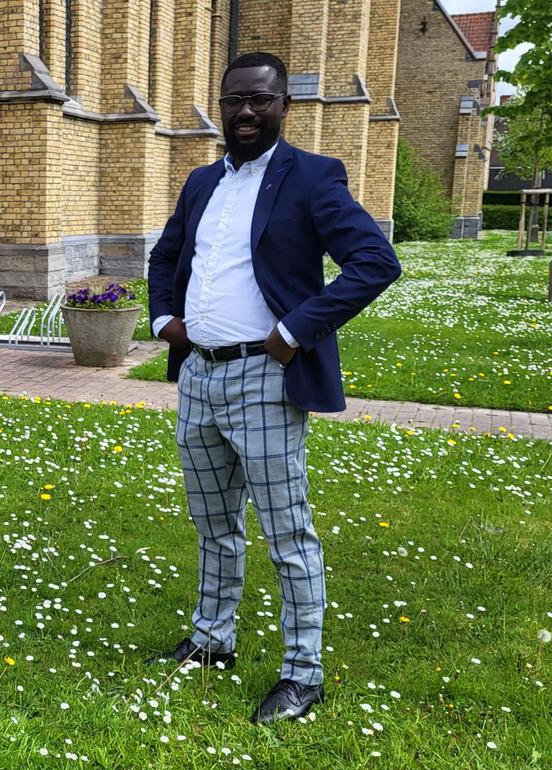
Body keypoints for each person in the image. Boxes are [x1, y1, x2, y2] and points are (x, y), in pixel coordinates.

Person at [146, 52, 401, 724]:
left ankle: (302, 675)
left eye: (260, 99)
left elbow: (376, 261)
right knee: (214, 525)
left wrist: (295, 330)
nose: (246, 112)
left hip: (266, 377)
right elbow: (168, 255)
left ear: (284, 104)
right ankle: (211, 641)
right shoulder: (201, 181)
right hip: (198, 376)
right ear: (222, 105)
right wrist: (163, 317)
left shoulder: (312, 178)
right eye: (234, 100)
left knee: (287, 533)